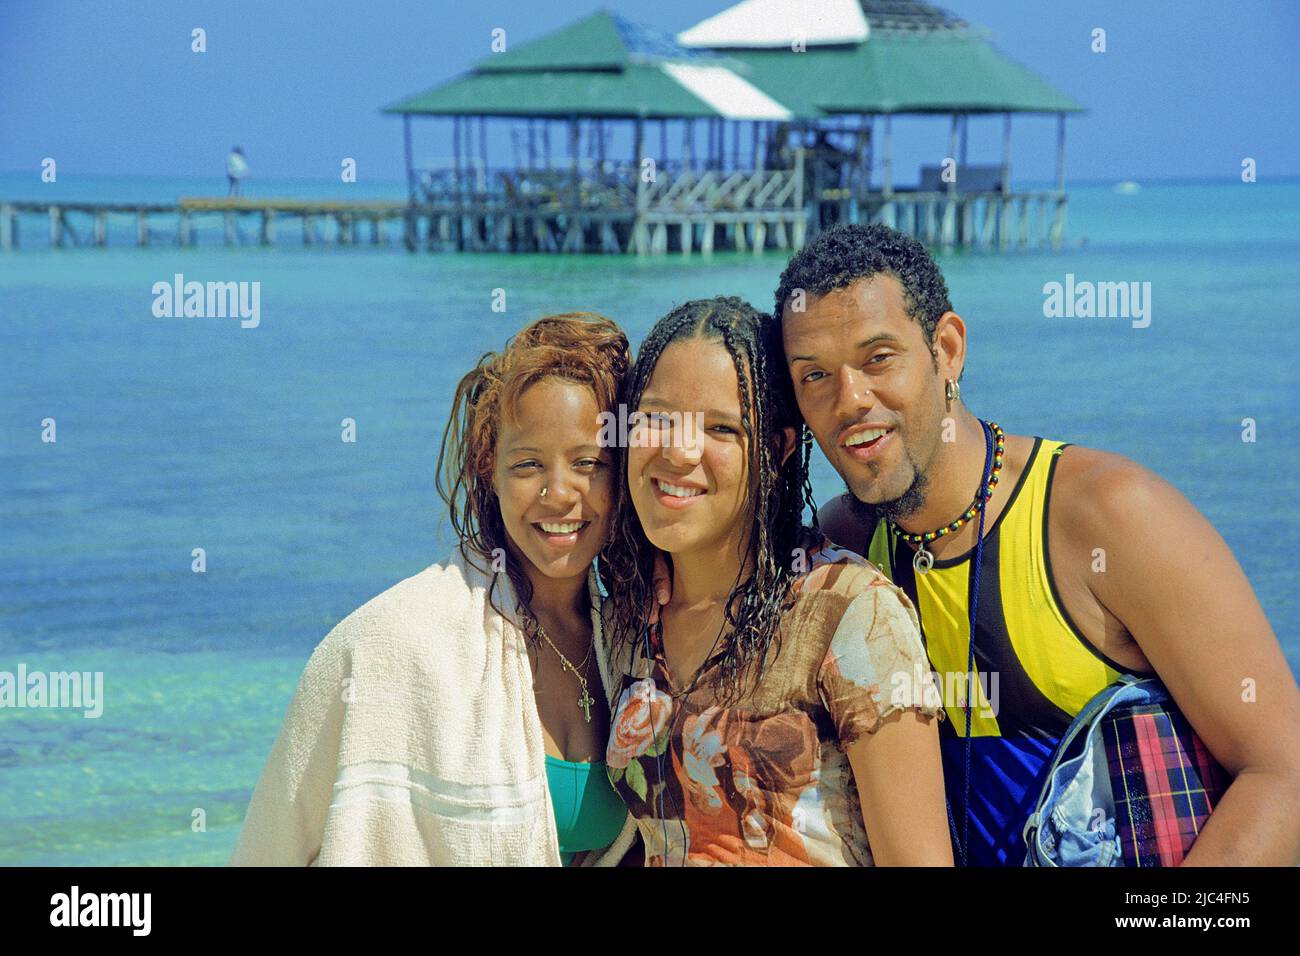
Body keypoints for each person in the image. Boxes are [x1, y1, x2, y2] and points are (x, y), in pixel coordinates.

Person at [774, 222, 1300, 866]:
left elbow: (1282, 773)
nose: (850, 400)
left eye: (879, 358)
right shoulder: (841, 553)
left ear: (947, 348)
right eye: (815, 376)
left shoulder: (1106, 517)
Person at [230, 313, 638, 866]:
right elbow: (270, 845)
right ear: (488, 472)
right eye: (527, 464)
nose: (559, 493)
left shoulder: (630, 641)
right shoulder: (387, 643)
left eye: (589, 463)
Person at [600, 295, 951, 866]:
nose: (678, 451)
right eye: (656, 419)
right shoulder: (627, 612)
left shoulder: (847, 612)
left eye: (720, 428)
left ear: (779, 449)